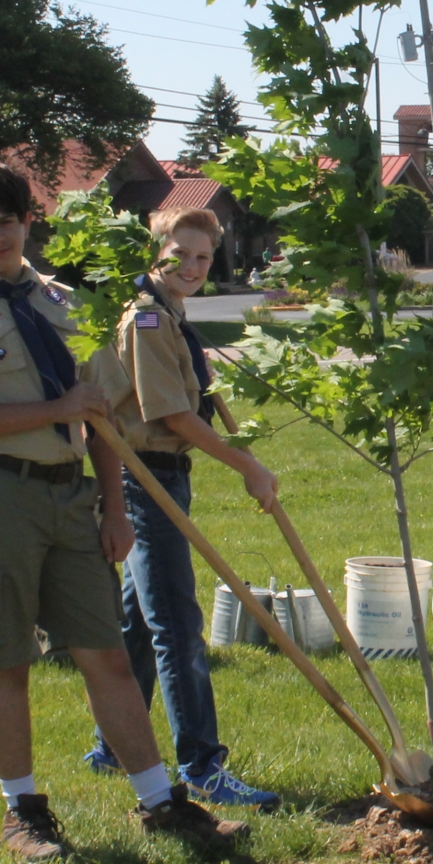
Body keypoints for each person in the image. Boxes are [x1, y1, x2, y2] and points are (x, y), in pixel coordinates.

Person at [0, 161, 247, 862]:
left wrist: (114, 509)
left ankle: (162, 802)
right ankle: (24, 813)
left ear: (28, 222)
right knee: (6, 660)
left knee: (108, 655)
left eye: (8, 221)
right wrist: (55, 408)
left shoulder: (67, 305)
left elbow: (101, 418)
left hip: (74, 495)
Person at [81, 206, 283, 810]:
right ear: (156, 252)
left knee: (141, 623)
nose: (193, 266)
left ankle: (111, 746)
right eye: (181, 254)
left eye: (203, 257)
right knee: (178, 629)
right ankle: (202, 766)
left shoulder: (170, 313)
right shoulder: (145, 317)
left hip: (163, 476)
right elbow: (169, 415)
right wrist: (248, 465)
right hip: (147, 480)